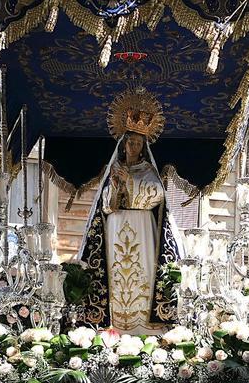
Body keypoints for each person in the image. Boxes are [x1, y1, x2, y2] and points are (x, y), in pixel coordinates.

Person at [76, 88, 181, 332]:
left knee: (141, 271)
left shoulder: (148, 171)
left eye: (138, 143)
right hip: (116, 225)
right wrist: (115, 187)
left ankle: (144, 325)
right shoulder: (114, 170)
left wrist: (129, 182)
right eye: (130, 142)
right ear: (123, 145)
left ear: (143, 147)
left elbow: (156, 195)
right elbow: (106, 206)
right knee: (116, 272)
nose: (133, 146)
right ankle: (114, 324)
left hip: (142, 226)